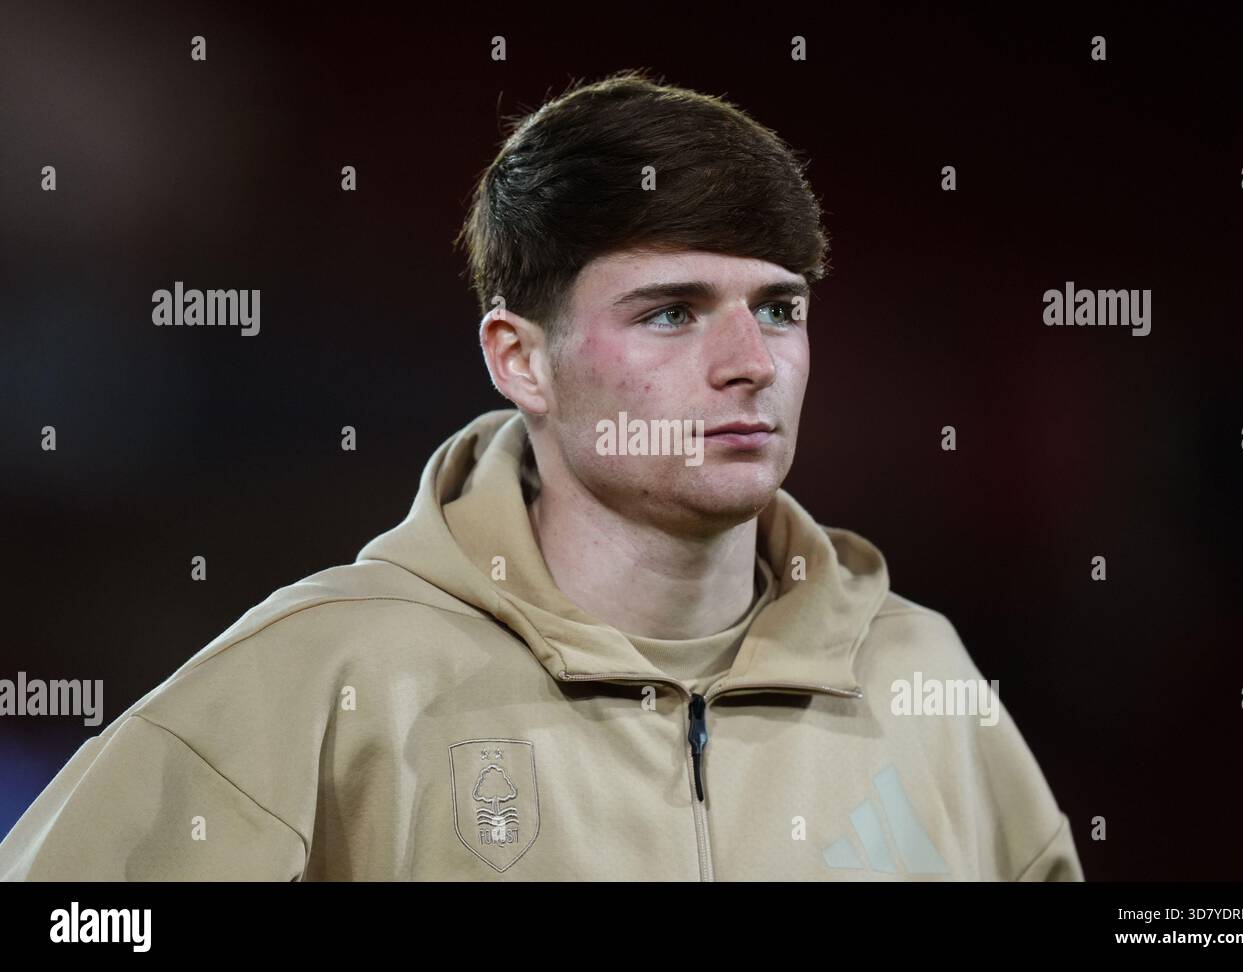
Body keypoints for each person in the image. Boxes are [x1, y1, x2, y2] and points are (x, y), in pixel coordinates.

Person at [0, 69, 1082, 881]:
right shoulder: (332, 671)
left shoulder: (917, 670)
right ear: (520, 359)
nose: (751, 362)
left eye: (779, 308)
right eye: (670, 312)